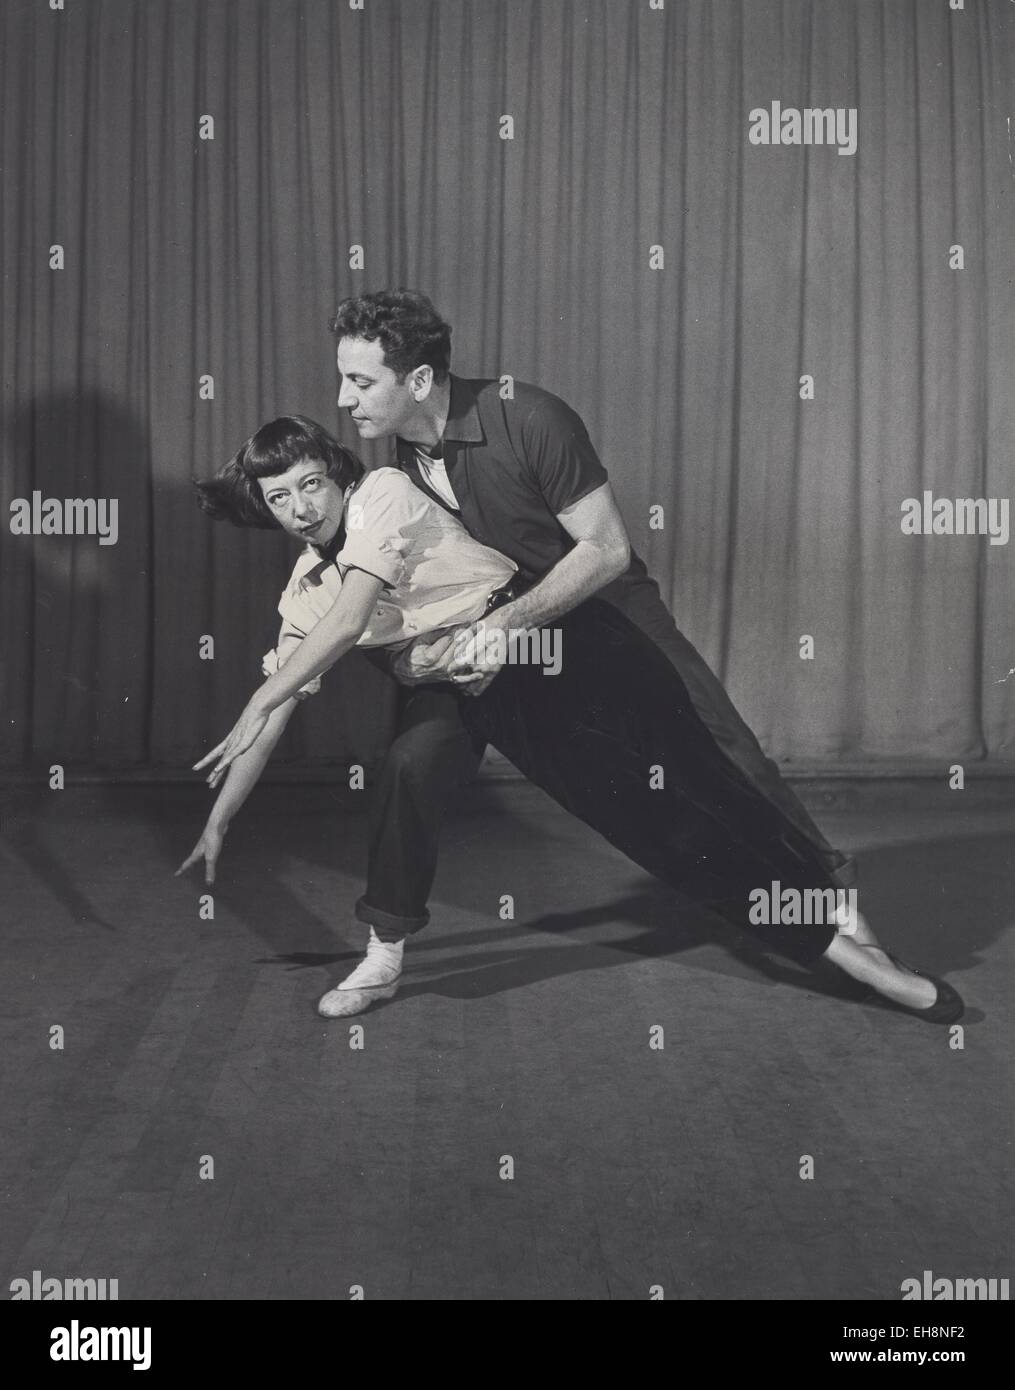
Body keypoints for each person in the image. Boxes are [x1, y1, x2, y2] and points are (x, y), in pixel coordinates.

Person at [178, 414, 963, 1028]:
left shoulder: (381, 491)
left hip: (532, 637)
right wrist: (219, 821)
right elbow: (277, 708)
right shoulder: (302, 593)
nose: (298, 509)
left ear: (337, 476)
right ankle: (383, 956)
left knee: (676, 795)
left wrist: (259, 697)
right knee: (410, 769)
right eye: (277, 498)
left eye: (308, 485)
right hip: (456, 677)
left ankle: (838, 937)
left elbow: (345, 629)